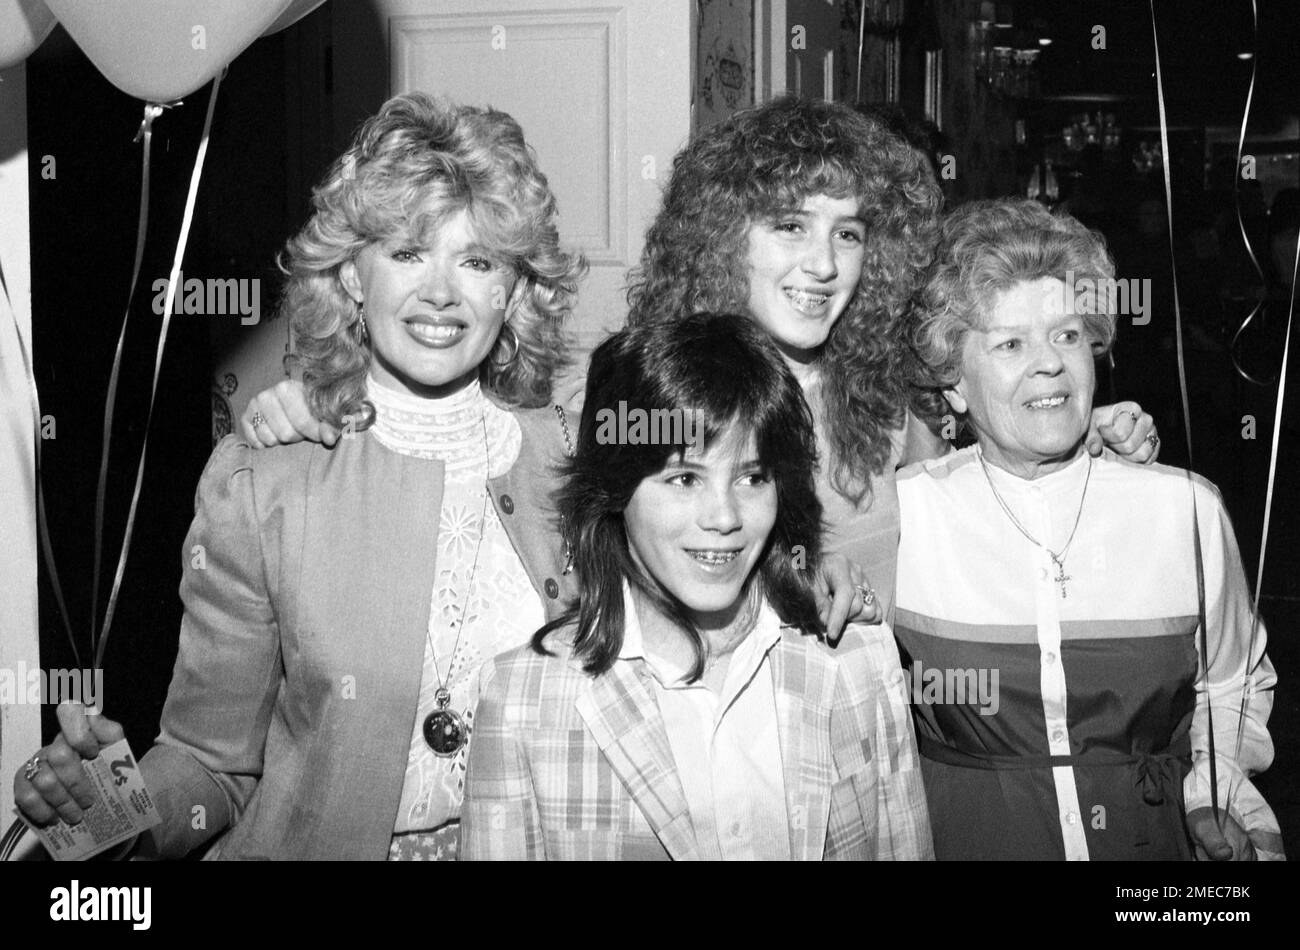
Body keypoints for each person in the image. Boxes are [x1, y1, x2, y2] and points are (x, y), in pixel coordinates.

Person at [237, 96, 1159, 626]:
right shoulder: (630, 388)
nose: (823, 264)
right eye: (790, 226)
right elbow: (486, 441)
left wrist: (1089, 445)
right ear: (726, 236)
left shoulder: (899, 404)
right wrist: (311, 399)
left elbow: (997, 489)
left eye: (850, 233)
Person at [13, 93, 585, 860]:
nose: (441, 293)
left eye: (477, 261)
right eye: (407, 253)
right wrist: (103, 811)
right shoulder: (266, 480)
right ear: (352, 274)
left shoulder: (578, 464)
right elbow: (212, 762)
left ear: (512, 290)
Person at [461, 313, 932, 860]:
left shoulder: (860, 660)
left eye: (752, 478)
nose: (725, 517)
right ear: (616, 487)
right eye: (684, 479)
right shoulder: (522, 701)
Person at [896, 198, 1282, 860]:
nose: (1049, 363)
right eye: (1011, 343)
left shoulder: (1183, 512)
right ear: (953, 379)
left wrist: (1214, 793)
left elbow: (1233, 683)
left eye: (1068, 335)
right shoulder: (905, 520)